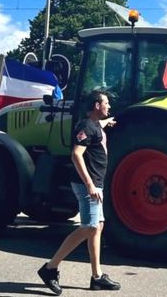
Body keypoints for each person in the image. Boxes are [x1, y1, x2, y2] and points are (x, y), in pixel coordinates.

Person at [37, 90, 121, 295]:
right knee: (90, 227)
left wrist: (106, 122)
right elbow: (76, 154)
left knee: (97, 226)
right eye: (106, 103)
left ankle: (97, 277)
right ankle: (50, 268)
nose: (109, 106)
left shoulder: (94, 125)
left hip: (95, 184)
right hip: (87, 185)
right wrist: (90, 185)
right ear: (96, 106)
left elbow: (96, 127)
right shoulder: (84, 126)